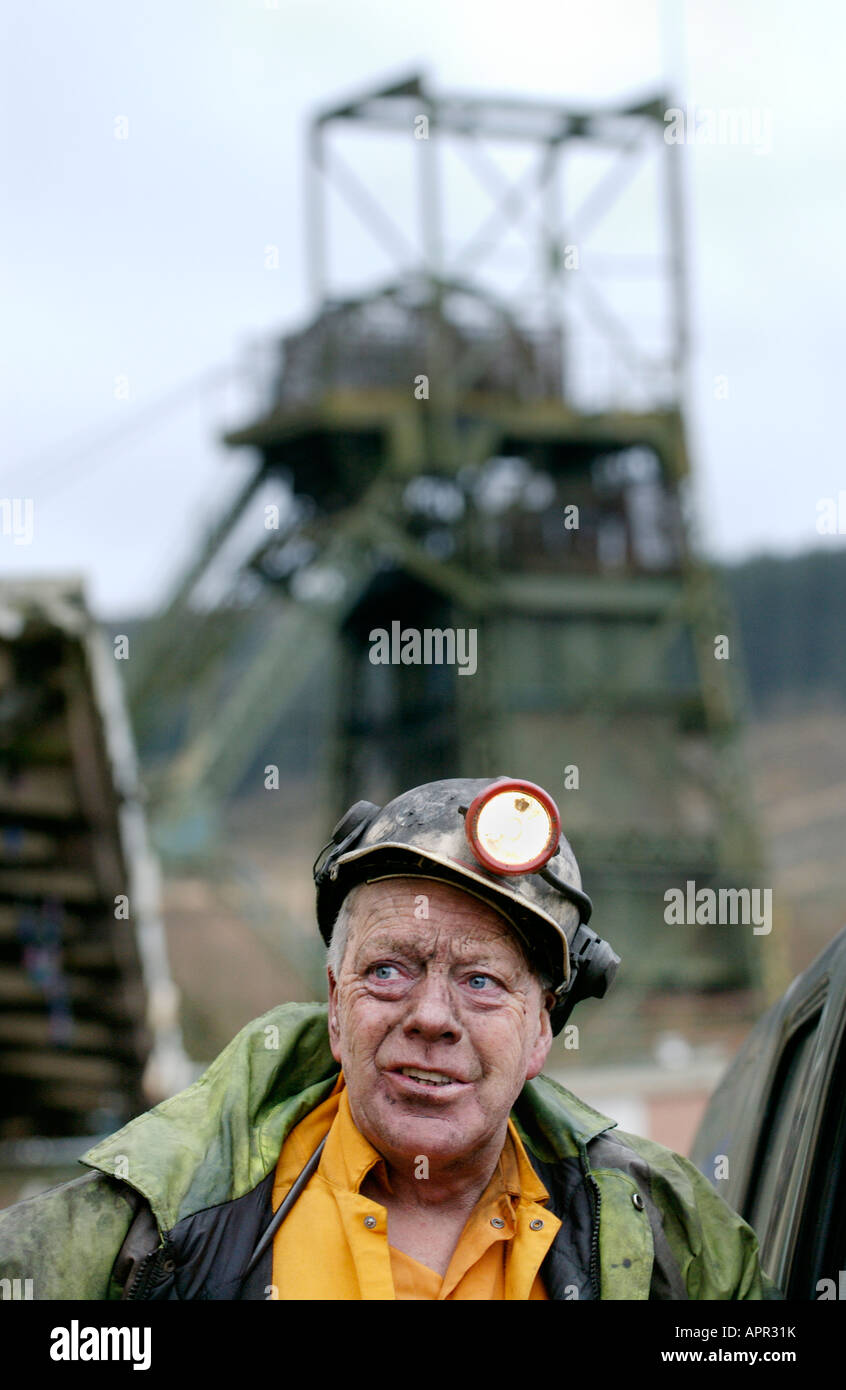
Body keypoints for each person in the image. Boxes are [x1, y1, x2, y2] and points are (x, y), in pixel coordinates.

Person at [0, 776, 780, 1300]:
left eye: (482, 982)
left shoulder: (666, 1241)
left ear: (541, 1031)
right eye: (390, 970)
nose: (431, 1018)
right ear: (335, 1007)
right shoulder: (146, 1231)